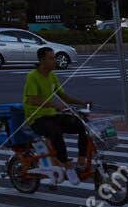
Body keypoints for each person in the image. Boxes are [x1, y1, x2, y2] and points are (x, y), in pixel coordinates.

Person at [23, 45, 92, 184]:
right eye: (51, 58)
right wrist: (54, 104)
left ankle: (81, 159)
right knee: (56, 132)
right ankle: (66, 165)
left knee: (80, 124)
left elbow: (63, 96)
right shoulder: (32, 76)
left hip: (52, 116)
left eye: (54, 58)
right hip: (37, 118)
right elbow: (32, 99)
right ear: (42, 60)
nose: (54, 61)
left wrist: (82, 103)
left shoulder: (52, 76)